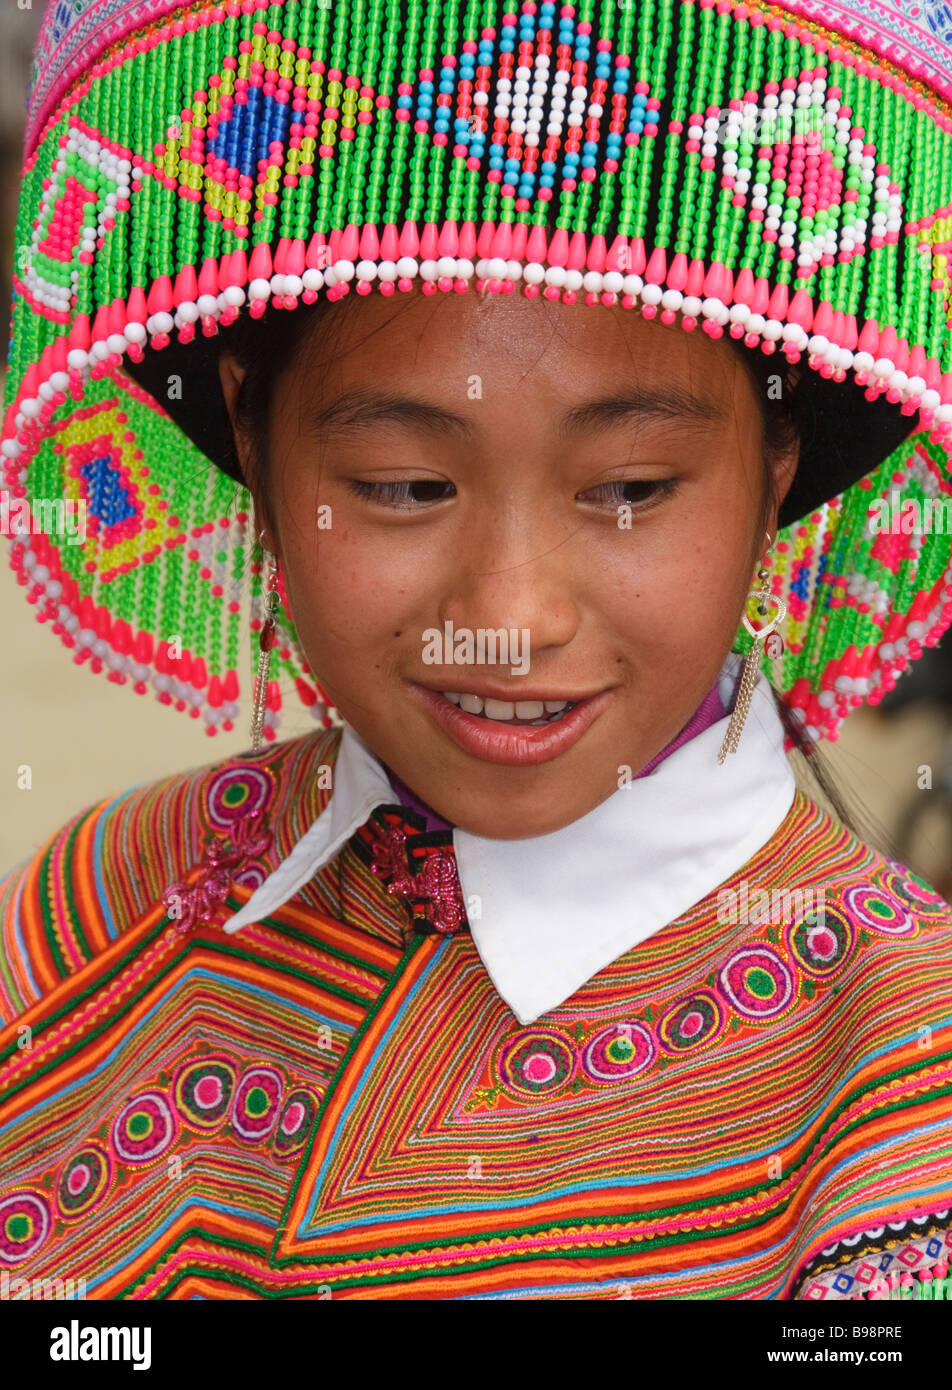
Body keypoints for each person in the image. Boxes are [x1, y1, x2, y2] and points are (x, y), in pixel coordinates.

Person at [1, 0, 951, 1301]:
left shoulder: (907, 1101)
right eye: (402, 484)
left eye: (630, 487)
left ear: (774, 470)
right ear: (255, 442)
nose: (512, 611)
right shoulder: (90, 914)